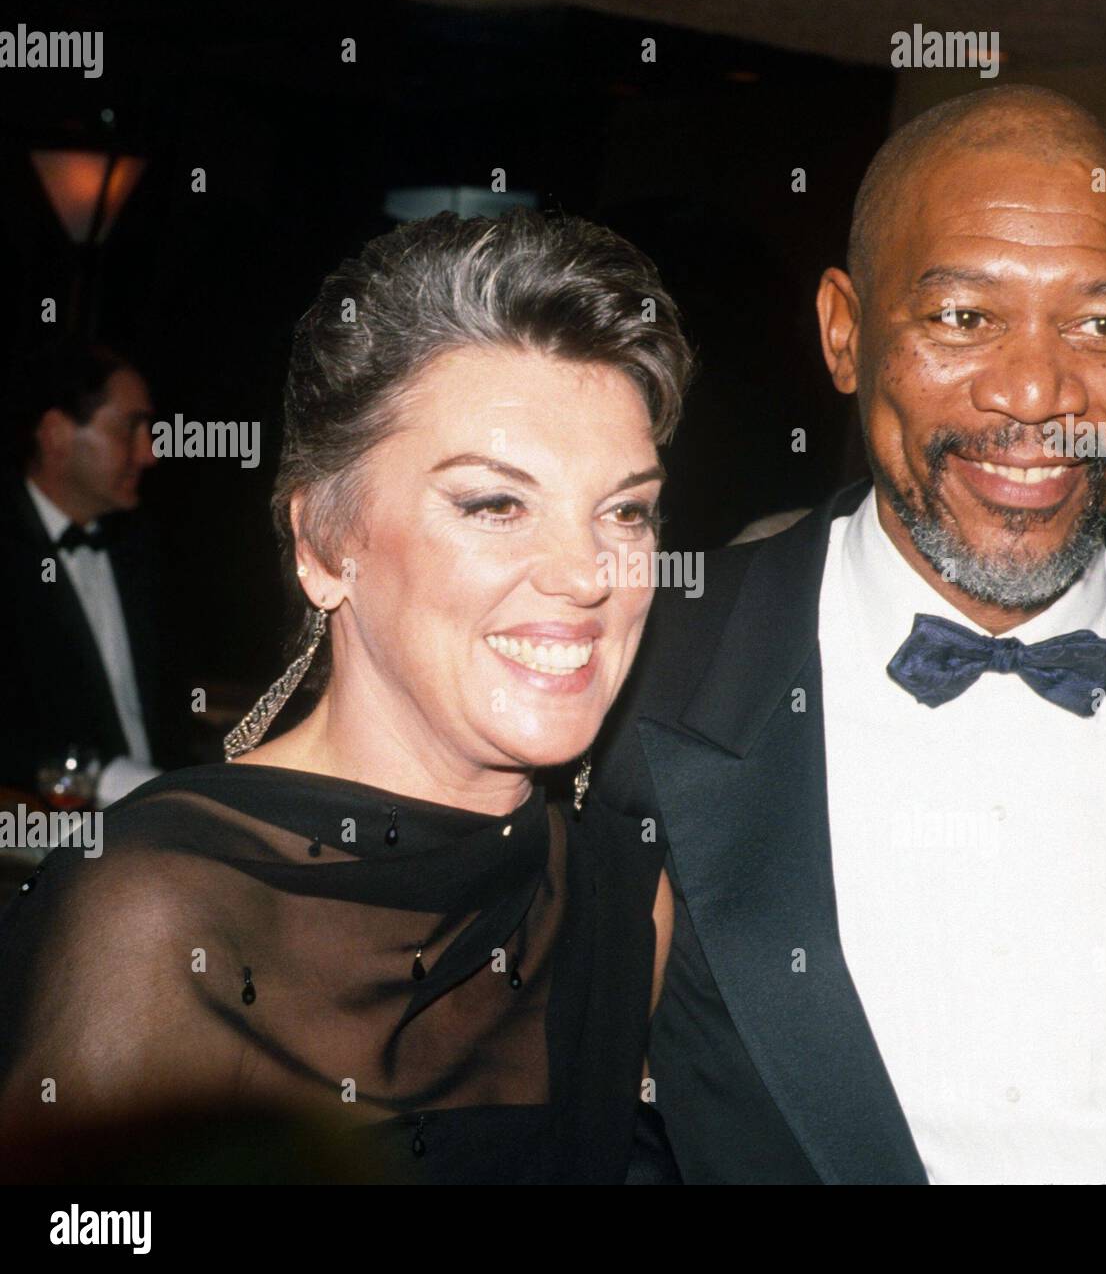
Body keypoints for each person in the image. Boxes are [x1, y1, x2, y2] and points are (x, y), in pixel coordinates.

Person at [592, 85, 1106, 1184]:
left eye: (1098, 324)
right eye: (963, 316)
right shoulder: (641, 666)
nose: (1034, 391)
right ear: (845, 331)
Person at [0, 208, 684, 1184]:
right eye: (495, 503)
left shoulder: (624, 898)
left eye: (624, 509)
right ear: (324, 546)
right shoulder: (156, 906)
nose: (586, 574)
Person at [0, 341, 184, 805]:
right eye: (130, 429)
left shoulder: (140, 550)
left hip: (157, 823)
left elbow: (171, 714)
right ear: (57, 434)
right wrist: (107, 781)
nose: (149, 454)